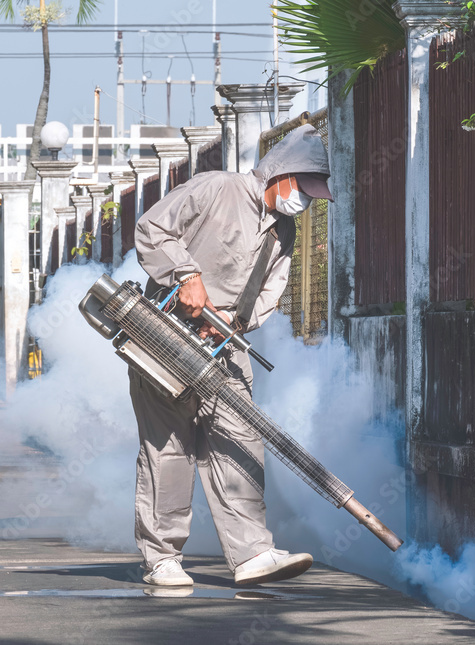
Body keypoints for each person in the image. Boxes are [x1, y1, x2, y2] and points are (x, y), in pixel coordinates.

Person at [131, 124, 333, 586]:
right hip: (165, 335)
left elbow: (270, 293)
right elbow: (151, 228)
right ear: (280, 174)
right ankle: (162, 558)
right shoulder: (217, 188)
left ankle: (251, 554)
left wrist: (234, 321)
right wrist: (186, 275)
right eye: (302, 189)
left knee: (239, 441)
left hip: (223, 345)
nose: (304, 200)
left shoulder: (284, 230)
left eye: (311, 194)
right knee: (169, 447)